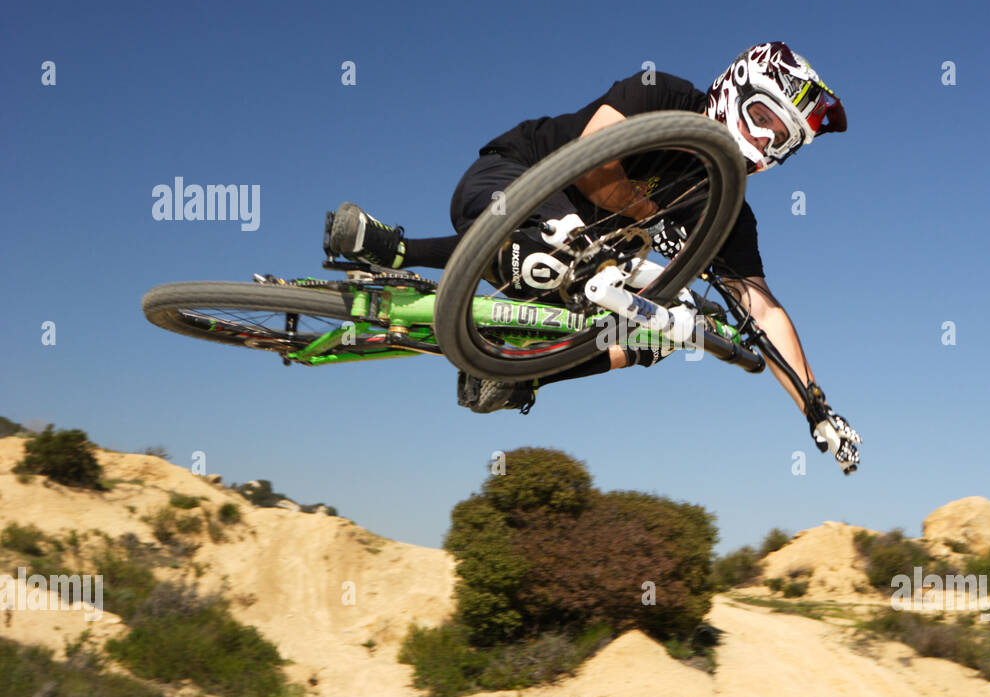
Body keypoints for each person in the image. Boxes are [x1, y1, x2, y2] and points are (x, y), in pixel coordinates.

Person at [326, 42, 860, 471]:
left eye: (783, 137)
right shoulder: (662, 93)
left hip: (570, 265)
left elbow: (764, 311)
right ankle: (398, 248)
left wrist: (816, 408)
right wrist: (644, 216)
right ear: (733, 87)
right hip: (508, 180)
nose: (766, 139)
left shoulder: (729, 213)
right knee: (563, 244)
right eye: (763, 115)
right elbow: (593, 165)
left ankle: (518, 375)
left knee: (673, 330)